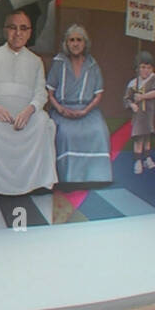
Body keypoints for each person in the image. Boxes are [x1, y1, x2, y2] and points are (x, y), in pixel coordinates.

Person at [0, 8, 54, 218]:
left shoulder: (36, 61)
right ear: (4, 30)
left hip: (23, 115)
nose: (17, 33)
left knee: (43, 121)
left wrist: (29, 111)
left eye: (23, 28)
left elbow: (40, 94)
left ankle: (38, 183)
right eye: (13, 28)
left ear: (29, 32)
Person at [47, 21, 110, 217]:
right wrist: (60, 108)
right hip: (62, 109)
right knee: (65, 133)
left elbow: (98, 94)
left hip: (87, 110)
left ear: (85, 43)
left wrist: (85, 111)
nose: (75, 44)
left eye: (79, 40)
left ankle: (94, 179)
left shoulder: (93, 64)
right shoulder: (58, 62)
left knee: (99, 130)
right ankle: (68, 180)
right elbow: (49, 91)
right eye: (71, 40)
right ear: (66, 43)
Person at [125, 49, 155, 175]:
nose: (146, 70)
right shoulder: (133, 83)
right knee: (139, 138)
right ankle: (137, 161)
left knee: (147, 138)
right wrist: (132, 105)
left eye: (148, 67)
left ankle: (147, 158)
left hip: (150, 115)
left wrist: (142, 97)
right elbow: (126, 99)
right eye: (142, 67)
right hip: (139, 115)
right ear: (137, 68)